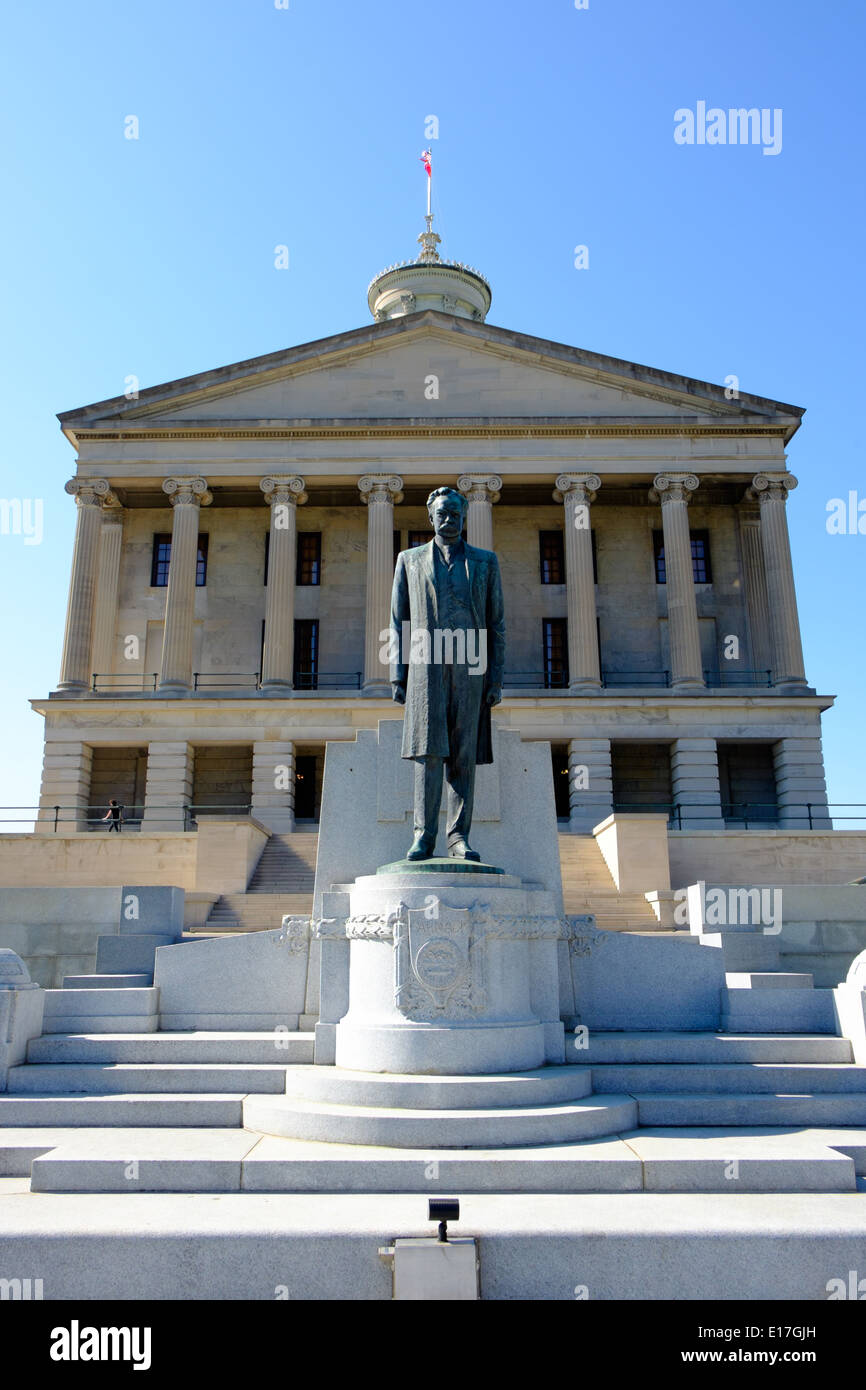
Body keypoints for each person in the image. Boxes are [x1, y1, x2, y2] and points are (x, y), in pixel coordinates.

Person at [390, 485, 505, 861]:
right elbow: (398, 620)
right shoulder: (409, 559)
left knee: (463, 753)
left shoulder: (485, 562)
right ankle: (424, 836)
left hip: (470, 664)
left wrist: (495, 677)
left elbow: (496, 623)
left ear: (464, 517)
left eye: (455, 514)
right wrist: (398, 673)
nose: (448, 520)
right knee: (429, 752)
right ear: (431, 517)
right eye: (442, 513)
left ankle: (458, 837)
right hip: (426, 665)